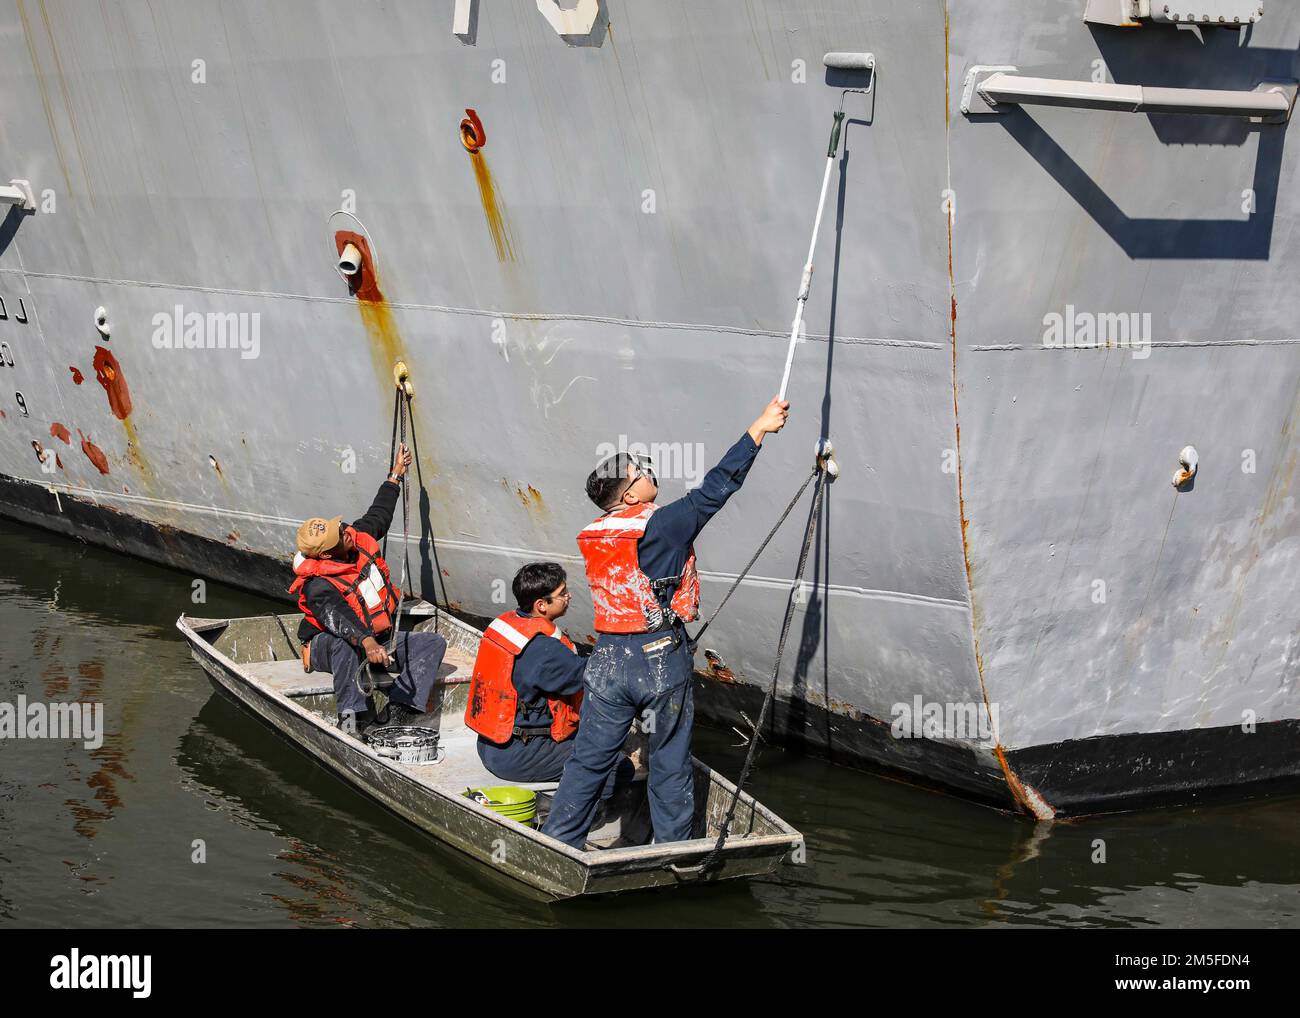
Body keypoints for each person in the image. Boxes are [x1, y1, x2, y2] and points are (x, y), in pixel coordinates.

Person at [541, 396, 790, 849]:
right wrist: (759, 430)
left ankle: (559, 841)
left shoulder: (596, 533)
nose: (652, 475)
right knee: (670, 759)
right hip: (658, 660)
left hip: (607, 660)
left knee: (589, 760)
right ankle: (676, 852)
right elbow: (718, 487)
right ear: (631, 495)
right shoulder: (665, 525)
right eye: (643, 473)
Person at [289, 443, 447, 737]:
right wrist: (367, 642)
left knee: (432, 643)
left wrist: (395, 475)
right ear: (325, 555)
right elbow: (340, 619)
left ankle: (399, 712)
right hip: (332, 645)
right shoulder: (318, 585)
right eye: (339, 536)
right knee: (343, 644)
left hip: (378, 641)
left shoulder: (355, 539)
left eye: (341, 527)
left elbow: (380, 514)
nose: (347, 531)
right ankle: (352, 720)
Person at [465, 562, 633, 794]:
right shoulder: (545, 651)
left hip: (489, 746)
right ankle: (568, 815)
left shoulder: (509, 624)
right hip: (519, 755)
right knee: (618, 766)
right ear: (541, 605)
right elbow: (596, 678)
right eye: (562, 594)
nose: (568, 596)